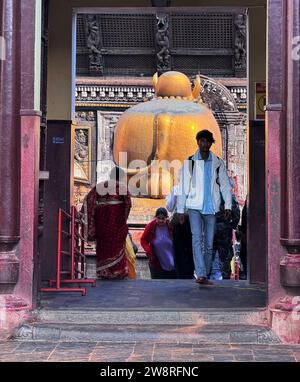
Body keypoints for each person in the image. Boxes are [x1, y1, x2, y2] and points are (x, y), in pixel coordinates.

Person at [177, 130, 232, 285]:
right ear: (197, 142)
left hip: (211, 208)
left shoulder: (217, 162)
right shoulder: (190, 162)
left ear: (210, 143)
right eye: (201, 140)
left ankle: (205, 274)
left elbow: (225, 186)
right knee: (197, 239)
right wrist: (180, 210)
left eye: (207, 141)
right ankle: (200, 273)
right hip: (194, 206)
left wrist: (227, 205)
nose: (204, 144)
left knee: (209, 243)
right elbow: (183, 186)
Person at [82, 167, 132, 279]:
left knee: (103, 245)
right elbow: (128, 205)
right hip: (116, 222)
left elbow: (88, 200)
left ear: (111, 175)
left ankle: (103, 272)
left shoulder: (100, 186)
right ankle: (117, 272)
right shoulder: (122, 187)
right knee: (116, 246)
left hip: (102, 222)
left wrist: (92, 219)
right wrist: (123, 219)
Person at [166, 185, 194, 278]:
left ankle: (182, 274)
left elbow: (169, 207)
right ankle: (188, 273)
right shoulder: (195, 188)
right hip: (191, 223)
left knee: (179, 250)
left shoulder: (177, 189)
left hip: (181, 222)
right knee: (190, 249)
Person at [140, 207, 176, 279]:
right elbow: (143, 240)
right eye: (158, 218)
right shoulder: (150, 226)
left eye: (163, 218)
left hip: (172, 261)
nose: (160, 220)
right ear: (155, 217)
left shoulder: (171, 226)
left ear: (167, 218)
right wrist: (149, 252)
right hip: (156, 262)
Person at [213, 193, 240, 279]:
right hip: (225, 231)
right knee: (225, 259)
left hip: (210, 229)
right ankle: (225, 279)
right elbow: (236, 215)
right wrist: (231, 224)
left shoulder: (210, 193)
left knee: (210, 255)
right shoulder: (229, 196)